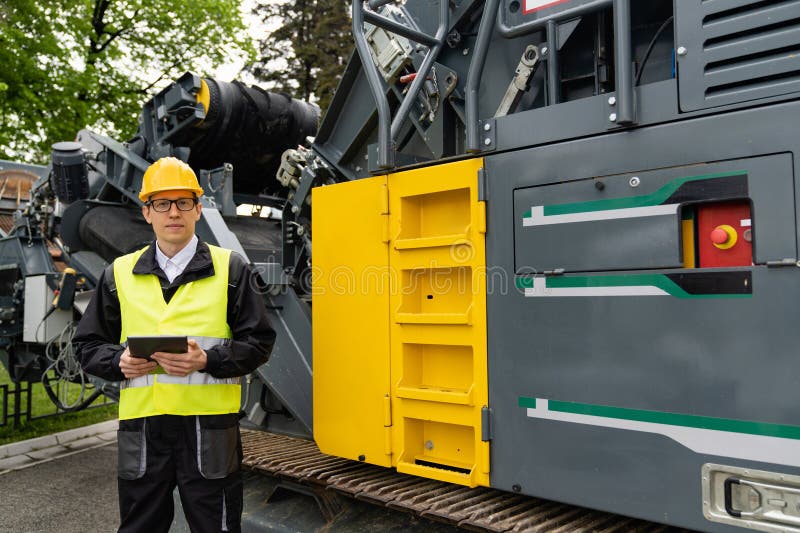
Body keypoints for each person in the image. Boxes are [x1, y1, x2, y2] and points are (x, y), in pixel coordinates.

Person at [73, 156, 275, 533]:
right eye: (162, 203)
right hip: (144, 427)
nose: (173, 212)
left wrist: (208, 360)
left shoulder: (231, 269)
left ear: (198, 209)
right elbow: (87, 345)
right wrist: (119, 362)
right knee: (140, 527)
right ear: (146, 212)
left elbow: (259, 342)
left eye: (183, 202)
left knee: (216, 526)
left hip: (210, 427)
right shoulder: (118, 274)